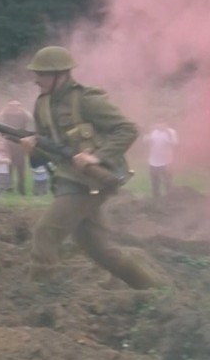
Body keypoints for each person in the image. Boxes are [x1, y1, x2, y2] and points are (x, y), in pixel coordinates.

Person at [20, 45, 158, 289]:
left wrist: (98, 157)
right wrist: (34, 150)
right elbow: (51, 151)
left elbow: (127, 129)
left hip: (89, 183)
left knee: (46, 233)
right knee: (100, 250)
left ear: (59, 74)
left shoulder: (87, 100)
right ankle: (151, 288)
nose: (36, 80)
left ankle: (36, 298)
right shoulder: (42, 105)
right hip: (67, 181)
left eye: (41, 74)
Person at [0, 100, 34, 195]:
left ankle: (21, 189)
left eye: (16, 106)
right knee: (9, 166)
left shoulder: (23, 115)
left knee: (21, 168)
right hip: (9, 143)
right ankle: (9, 187)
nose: (14, 107)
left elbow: (31, 119)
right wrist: (6, 108)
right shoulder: (6, 115)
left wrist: (22, 108)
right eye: (12, 106)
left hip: (20, 144)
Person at [142, 120, 178, 199]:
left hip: (167, 162)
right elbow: (145, 141)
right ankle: (156, 198)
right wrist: (149, 132)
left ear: (166, 124)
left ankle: (170, 198)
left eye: (162, 123)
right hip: (153, 161)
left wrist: (167, 132)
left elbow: (174, 143)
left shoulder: (171, 132)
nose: (160, 125)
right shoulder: (153, 132)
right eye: (158, 123)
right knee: (155, 182)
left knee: (167, 181)